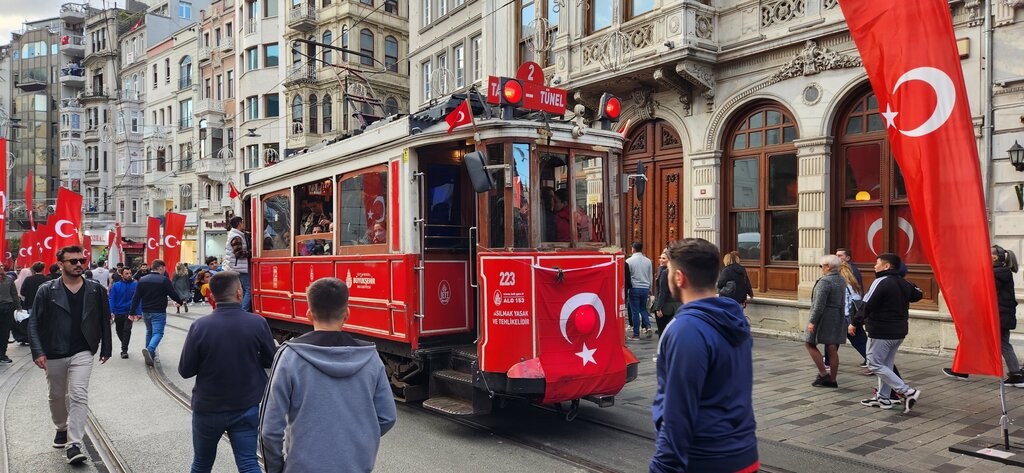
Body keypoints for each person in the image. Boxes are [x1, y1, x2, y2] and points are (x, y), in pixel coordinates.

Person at [260, 277, 396, 473]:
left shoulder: (289, 356)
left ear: (308, 314)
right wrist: (353, 445)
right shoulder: (370, 357)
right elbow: (387, 417)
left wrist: (276, 469)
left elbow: (269, 430)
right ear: (347, 313)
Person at [652, 238, 758, 473]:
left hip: (704, 459)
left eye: (669, 270)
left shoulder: (686, 329)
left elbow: (678, 413)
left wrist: (662, 467)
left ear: (679, 278)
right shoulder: (734, 318)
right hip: (743, 453)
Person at [179, 271, 276, 473]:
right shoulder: (257, 322)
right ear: (240, 293)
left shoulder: (200, 326)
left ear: (212, 296)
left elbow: (186, 370)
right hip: (246, 405)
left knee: (201, 464)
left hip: (208, 407)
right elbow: (270, 360)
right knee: (249, 463)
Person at [28, 246, 112, 465]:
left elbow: (104, 320)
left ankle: (74, 444)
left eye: (81, 260)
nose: (78, 264)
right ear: (60, 264)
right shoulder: (47, 290)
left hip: (83, 350)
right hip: (53, 350)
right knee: (56, 395)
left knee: (78, 394)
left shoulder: (95, 290)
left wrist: (107, 348)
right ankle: (61, 428)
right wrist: (37, 351)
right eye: (72, 261)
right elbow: (34, 322)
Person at [943, 245, 1024, 386]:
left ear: (994, 257)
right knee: (1000, 344)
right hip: (1000, 315)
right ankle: (1015, 375)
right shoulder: (1000, 271)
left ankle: (963, 370)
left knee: (974, 340)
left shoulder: (996, 273)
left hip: (997, 316)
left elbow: (980, 290)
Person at [852, 253, 923, 413]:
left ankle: (907, 392)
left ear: (886, 266)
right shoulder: (903, 283)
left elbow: (866, 304)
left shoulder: (880, 281)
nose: (874, 266)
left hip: (881, 330)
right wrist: (907, 282)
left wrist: (854, 323)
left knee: (873, 363)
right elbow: (918, 294)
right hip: (899, 331)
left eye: (877, 263)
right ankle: (883, 398)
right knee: (886, 364)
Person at [130, 259, 185, 366]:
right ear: (160, 267)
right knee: (158, 333)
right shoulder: (164, 280)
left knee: (149, 331)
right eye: (164, 268)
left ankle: (150, 353)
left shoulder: (142, 280)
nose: (164, 270)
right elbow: (172, 293)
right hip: (158, 311)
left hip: (146, 311)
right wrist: (179, 301)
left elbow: (136, 297)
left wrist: (132, 312)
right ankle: (150, 349)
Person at [804, 255, 847, 388]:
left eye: (822, 266)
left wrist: (812, 321)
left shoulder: (825, 282)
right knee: (832, 347)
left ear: (828, 267)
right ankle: (833, 380)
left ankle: (823, 374)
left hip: (824, 317)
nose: (821, 268)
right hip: (837, 316)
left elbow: (818, 305)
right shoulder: (841, 279)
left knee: (809, 343)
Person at [838, 262, 870, 374]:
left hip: (845, 318)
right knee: (861, 342)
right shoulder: (853, 283)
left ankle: (873, 364)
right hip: (854, 317)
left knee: (832, 342)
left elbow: (846, 305)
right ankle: (872, 362)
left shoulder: (841, 284)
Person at [108, 267, 140, 359]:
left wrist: (139, 312)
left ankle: (124, 350)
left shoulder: (135, 284)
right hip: (119, 311)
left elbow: (139, 299)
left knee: (127, 330)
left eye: (130, 273)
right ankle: (124, 342)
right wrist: (111, 311)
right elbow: (111, 299)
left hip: (130, 312)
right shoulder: (116, 285)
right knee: (119, 330)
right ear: (121, 275)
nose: (129, 275)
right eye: (126, 273)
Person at [625, 242, 653, 341]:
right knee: (643, 309)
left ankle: (636, 334)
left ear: (633, 249)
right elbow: (650, 276)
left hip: (634, 288)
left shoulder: (629, 261)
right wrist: (650, 288)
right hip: (645, 288)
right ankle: (648, 326)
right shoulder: (648, 261)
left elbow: (627, 277)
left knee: (635, 312)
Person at [224, 216, 252, 311]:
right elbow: (239, 254)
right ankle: (243, 311)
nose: (244, 224)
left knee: (244, 289)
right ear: (240, 224)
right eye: (243, 222)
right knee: (249, 289)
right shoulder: (236, 237)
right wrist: (252, 252)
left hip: (237, 267)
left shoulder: (237, 234)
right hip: (239, 268)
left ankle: (241, 310)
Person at [19, 262, 50, 346]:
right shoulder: (47, 279)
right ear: (43, 269)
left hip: (31, 304)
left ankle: (34, 340)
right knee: (44, 322)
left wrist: (30, 295)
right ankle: (43, 338)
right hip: (45, 304)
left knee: (33, 323)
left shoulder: (28, 279)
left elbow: (22, 291)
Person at [651, 249, 681, 336]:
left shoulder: (665, 273)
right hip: (677, 305)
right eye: (660, 258)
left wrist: (658, 307)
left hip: (666, 307)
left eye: (663, 258)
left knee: (663, 332)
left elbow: (662, 292)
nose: (660, 260)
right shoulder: (679, 271)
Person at [0, 269, 22, 363]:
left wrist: (18, 307)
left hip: (7, 307)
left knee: (5, 332)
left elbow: (14, 294)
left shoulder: (9, 279)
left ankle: (2, 354)